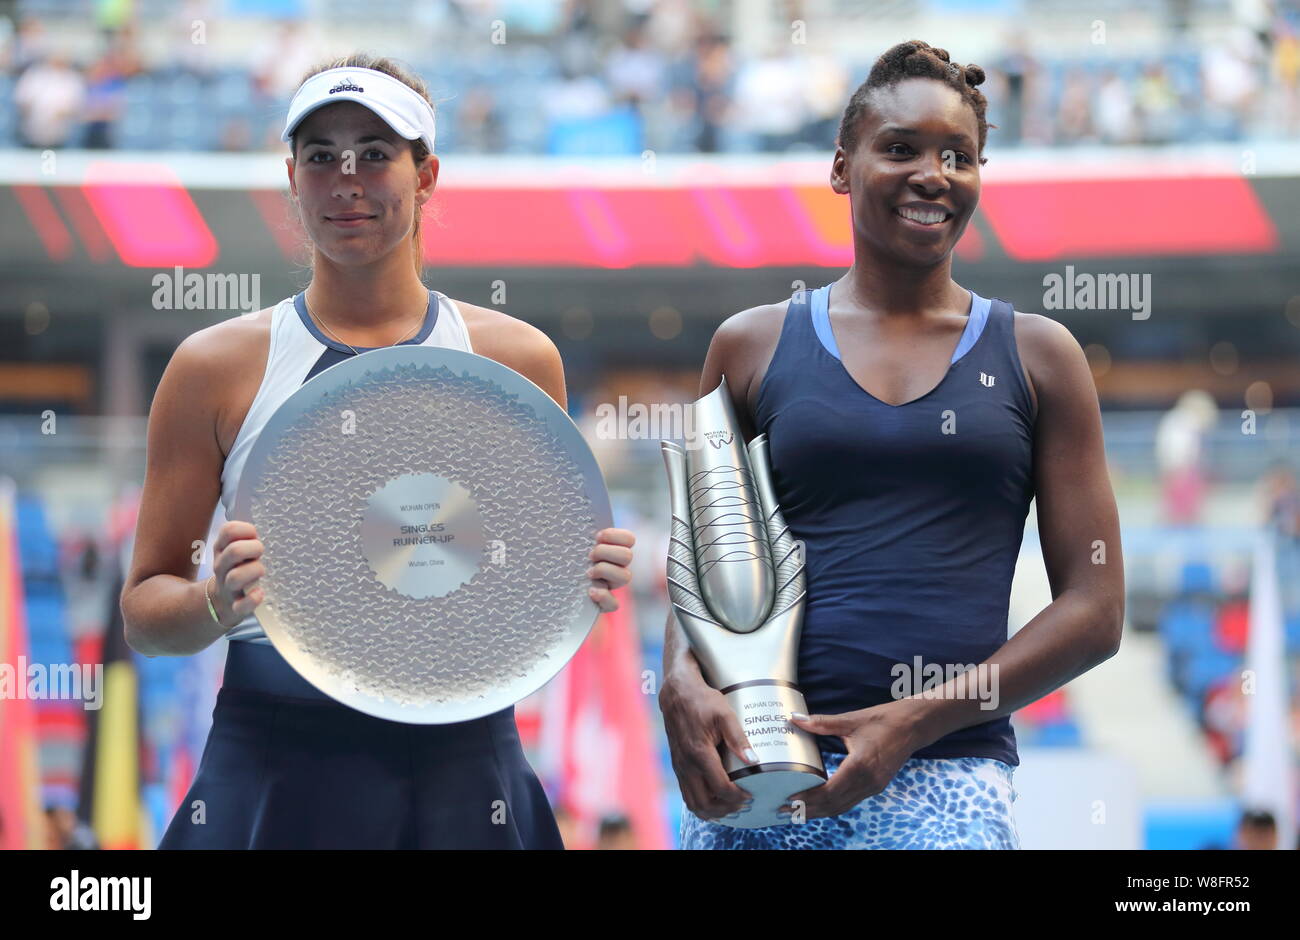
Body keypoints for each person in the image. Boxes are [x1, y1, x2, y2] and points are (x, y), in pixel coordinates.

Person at [120, 54, 635, 849]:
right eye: (321, 156)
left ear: (426, 175)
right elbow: (147, 612)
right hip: (271, 754)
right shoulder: (213, 367)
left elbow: (519, 593)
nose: (346, 179)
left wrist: (575, 585)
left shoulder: (517, 360)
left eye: (375, 152)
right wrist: (216, 602)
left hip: (465, 760)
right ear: (291, 177)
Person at [659, 40, 1124, 849]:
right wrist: (678, 680)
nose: (933, 173)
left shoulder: (1041, 356)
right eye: (901, 148)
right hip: (764, 775)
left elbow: (1097, 609)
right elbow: (700, 565)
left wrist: (915, 721)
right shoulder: (748, 346)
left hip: (950, 777)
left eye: (960, 155)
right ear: (842, 168)